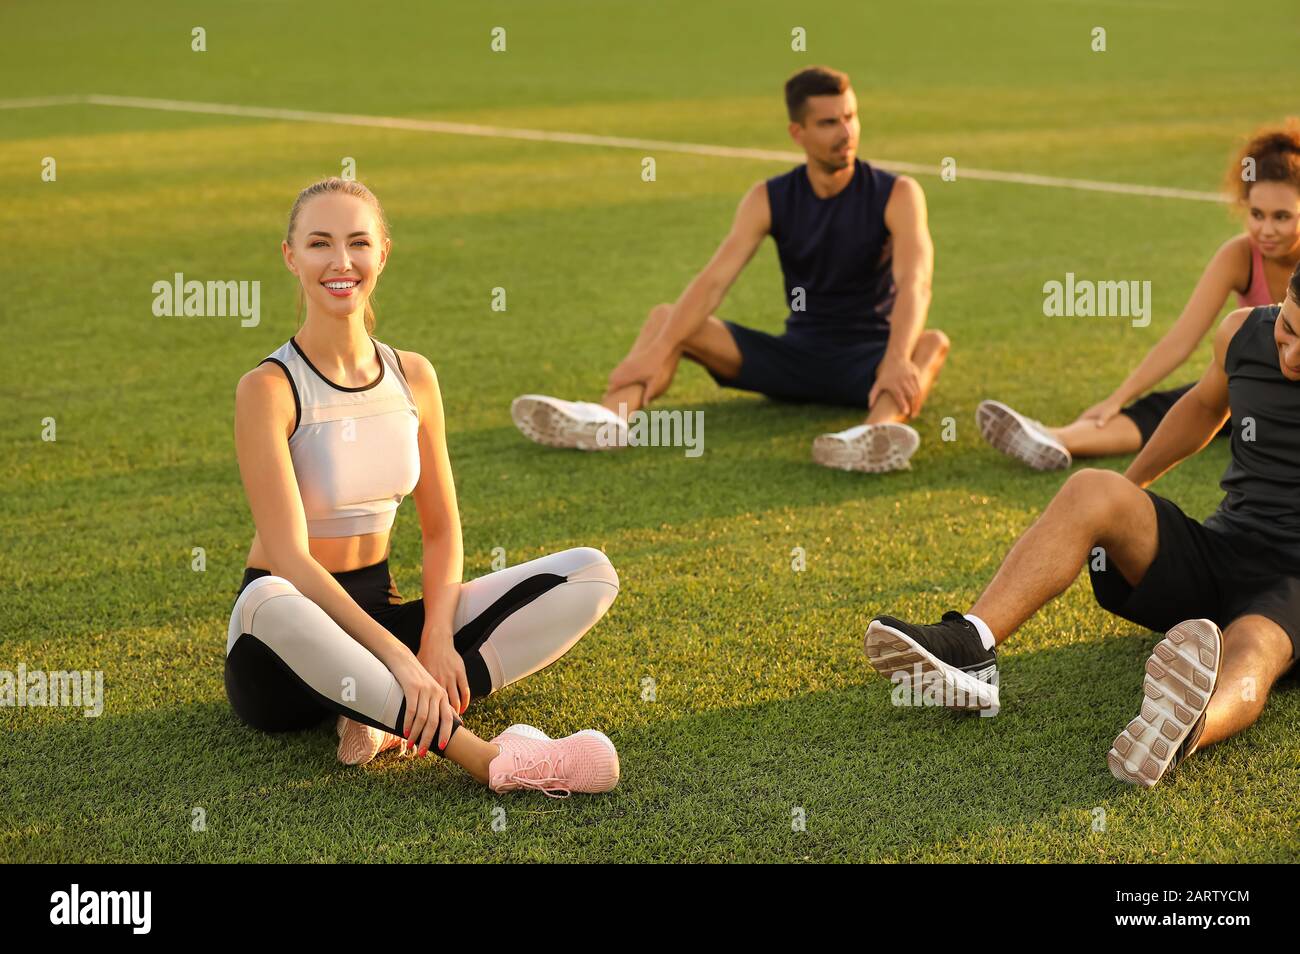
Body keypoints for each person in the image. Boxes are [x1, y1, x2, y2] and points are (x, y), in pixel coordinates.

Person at [226, 177, 622, 797]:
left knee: (590, 574)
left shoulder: (413, 376)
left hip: (382, 611)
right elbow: (290, 557)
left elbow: (440, 530)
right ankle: (493, 761)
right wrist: (403, 659)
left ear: (382, 253)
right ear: (290, 256)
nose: (340, 262)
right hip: (283, 651)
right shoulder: (268, 389)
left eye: (358, 243)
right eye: (319, 244)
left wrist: (435, 639)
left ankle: (377, 714)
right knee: (271, 598)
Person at [865, 263, 1300, 787]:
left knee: (1254, 646)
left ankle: (1185, 726)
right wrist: (1129, 492)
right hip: (1222, 549)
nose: (1291, 357)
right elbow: (1204, 406)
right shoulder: (1242, 333)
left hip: (1290, 590)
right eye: (1290, 331)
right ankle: (971, 645)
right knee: (1094, 487)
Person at [510, 65, 949, 473]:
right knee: (667, 319)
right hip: (797, 357)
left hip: (869, 360)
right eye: (829, 123)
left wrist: (894, 359)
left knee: (929, 344)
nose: (846, 132)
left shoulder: (897, 193)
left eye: (850, 117)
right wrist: (655, 351)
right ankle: (607, 419)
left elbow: (916, 282)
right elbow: (714, 280)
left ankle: (870, 436)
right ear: (797, 132)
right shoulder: (769, 197)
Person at [978, 120, 1300, 470]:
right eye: (1256, 215)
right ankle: (1053, 437)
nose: (1265, 230)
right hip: (1255, 391)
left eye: (1282, 217)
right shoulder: (1239, 256)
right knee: (1172, 406)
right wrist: (1118, 397)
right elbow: (1181, 339)